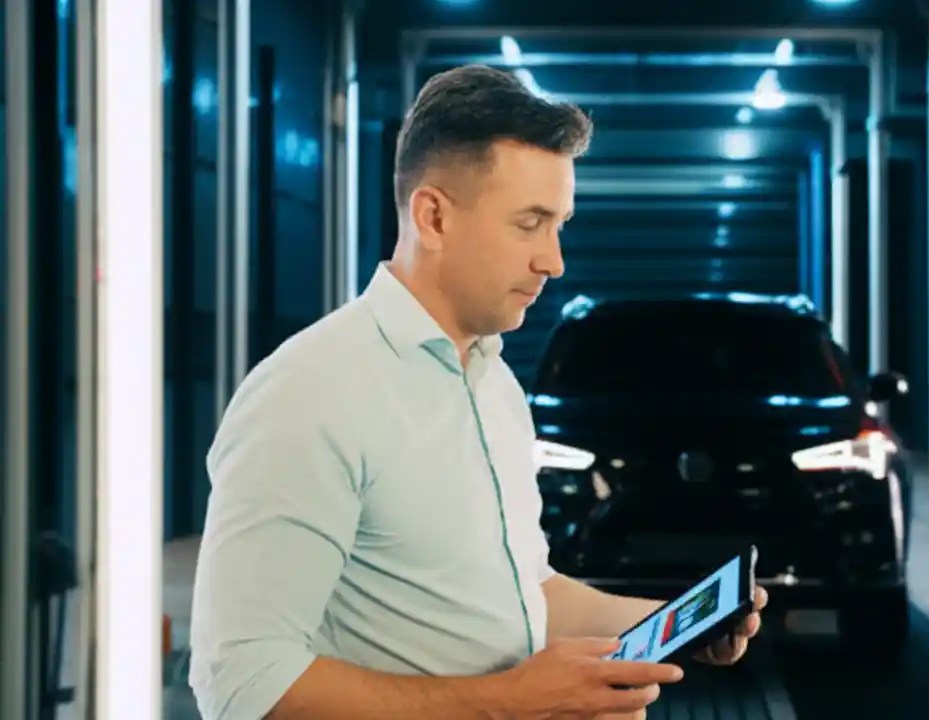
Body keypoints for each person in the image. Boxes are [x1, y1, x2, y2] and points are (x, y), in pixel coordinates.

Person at [187, 64, 767, 720]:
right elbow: (241, 680)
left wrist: (674, 620)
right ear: (432, 216)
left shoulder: (493, 385)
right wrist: (506, 703)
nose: (554, 260)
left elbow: (525, 596)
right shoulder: (309, 393)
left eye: (560, 225)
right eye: (530, 223)